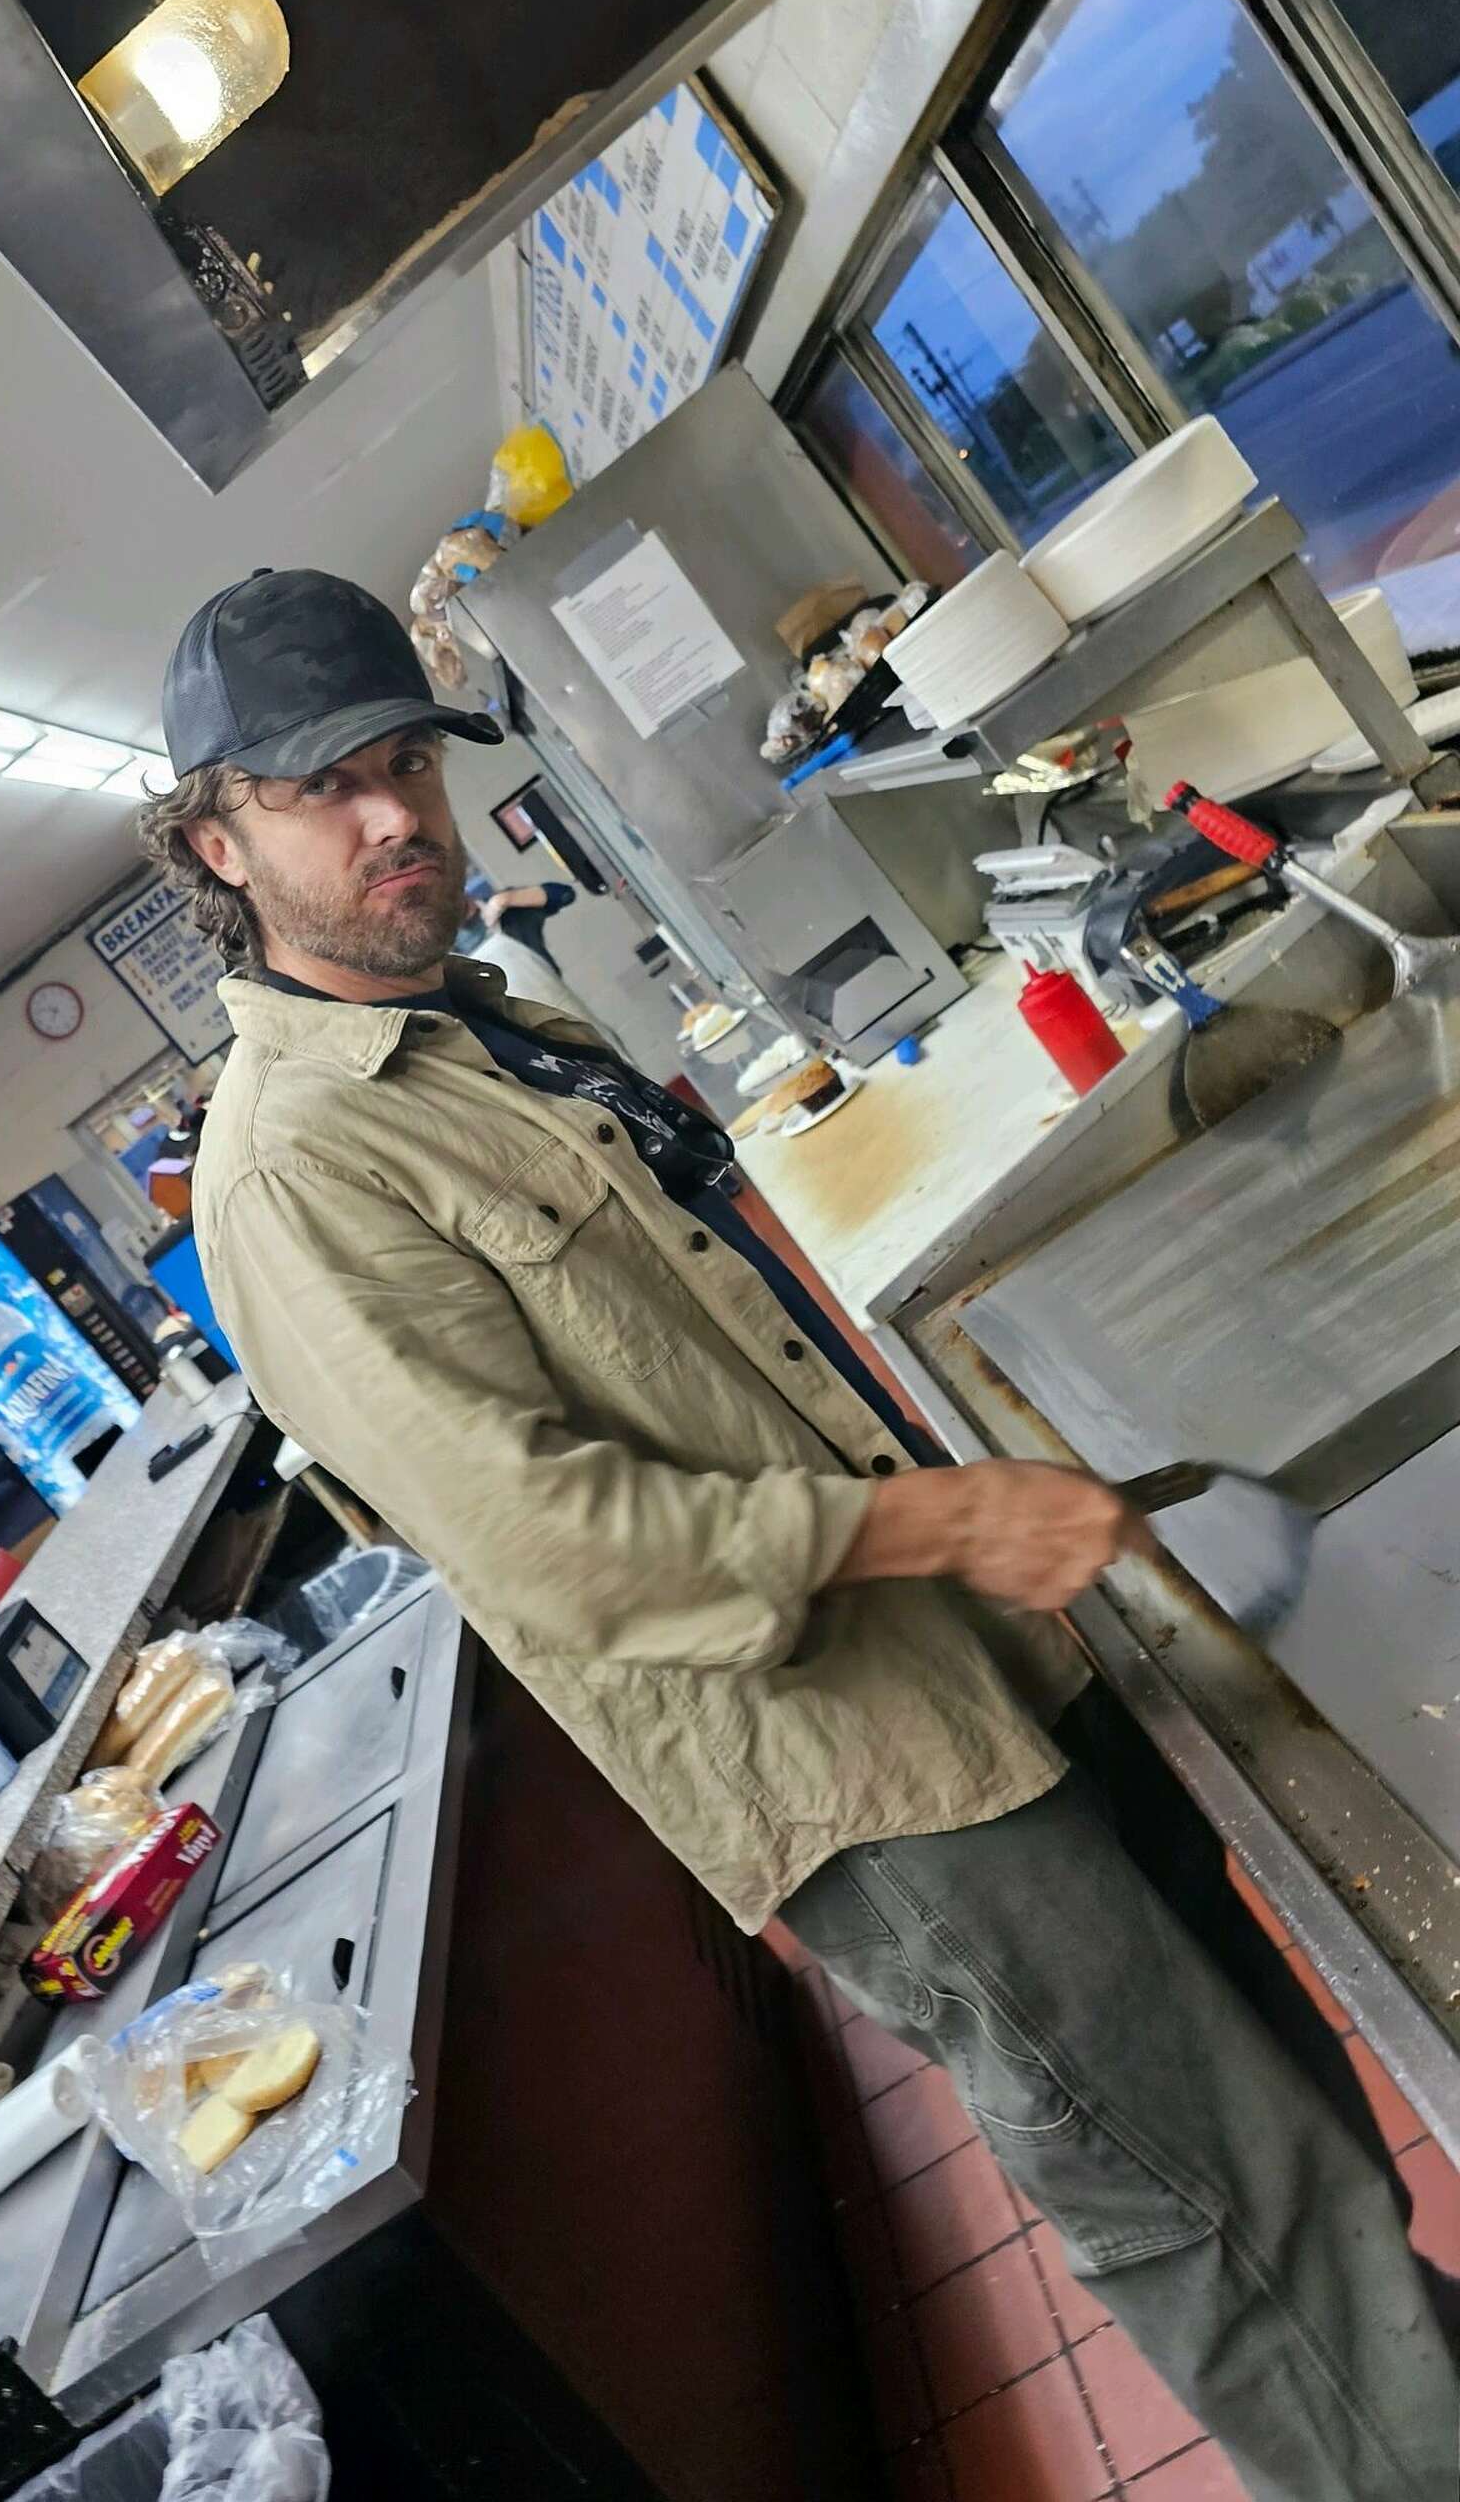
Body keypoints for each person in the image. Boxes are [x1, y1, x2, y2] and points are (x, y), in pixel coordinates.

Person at [140, 567, 1457, 2501]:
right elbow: (556, 1543)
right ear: (215, 842)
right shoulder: (293, 1170)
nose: (390, 812)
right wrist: (941, 1521)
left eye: (403, 757)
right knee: (1217, 2210)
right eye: (323, 785)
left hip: (981, 1652)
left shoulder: (487, 1017)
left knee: (1270, 2096)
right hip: (864, 1764)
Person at [452, 870, 595, 1025]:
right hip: (522, 1028)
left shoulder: (508, 912)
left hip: (563, 1006)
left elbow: (564, 894)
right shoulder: (447, 956)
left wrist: (506, 899)